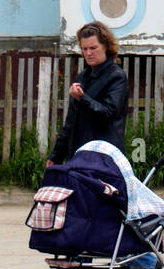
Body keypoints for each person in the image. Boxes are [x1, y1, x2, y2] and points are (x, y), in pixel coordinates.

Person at [47, 22, 129, 166]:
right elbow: (70, 122)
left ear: (106, 46)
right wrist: (56, 156)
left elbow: (108, 114)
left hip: (104, 157)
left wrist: (82, 98)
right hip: (79, 155)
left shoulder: (117, 77)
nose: (88, 53)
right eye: (84, 49)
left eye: (93, 48)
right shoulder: (83, 77)